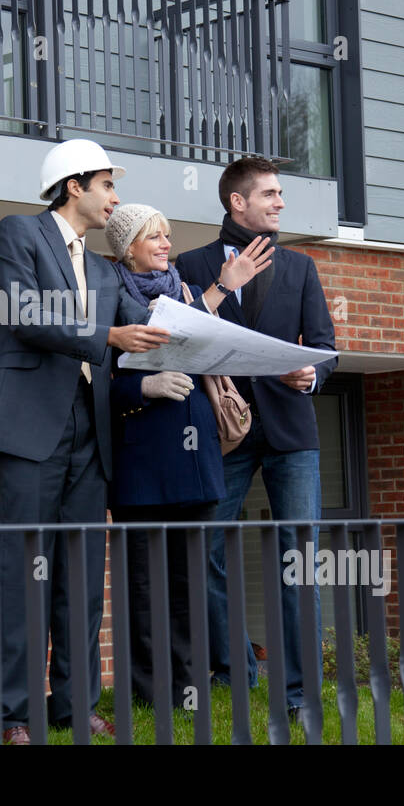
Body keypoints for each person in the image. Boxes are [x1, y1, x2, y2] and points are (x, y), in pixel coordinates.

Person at [0, 139, 169, 745]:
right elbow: (22, 313)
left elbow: (158, 313)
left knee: (80, 577)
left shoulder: (109, 269)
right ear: (74, 185)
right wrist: (106, 335)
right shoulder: (19, 235)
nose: (116, 196)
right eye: (108, 184)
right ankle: (12, 715)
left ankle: (74, 707)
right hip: (33, 429)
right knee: (22, 572)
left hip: (93, 432)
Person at [175, 156, 338, 722]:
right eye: (269, 193)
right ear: (236, 202)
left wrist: (312, 374)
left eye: (280, 193)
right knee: (203, 552)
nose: (280, 202)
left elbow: (324, 345)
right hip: (222, 432)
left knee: (299, 560)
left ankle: (300, 697)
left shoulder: (300, 266)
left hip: (292, 432)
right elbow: (180, 339)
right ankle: (237, 671)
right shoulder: (191, 264)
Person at [104, 203, 271, 708]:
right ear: (127, 245)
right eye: (153, 237)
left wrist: (222, 293)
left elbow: (199, 343)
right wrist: (141, 388)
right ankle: (149, 690)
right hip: (142, 464)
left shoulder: (186, 292)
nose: (164, 245)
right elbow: (89, 385)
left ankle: (187, 688)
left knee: (189, 584)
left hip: (197, 464)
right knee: (143, 587)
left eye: (167, 235)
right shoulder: (109, 294)